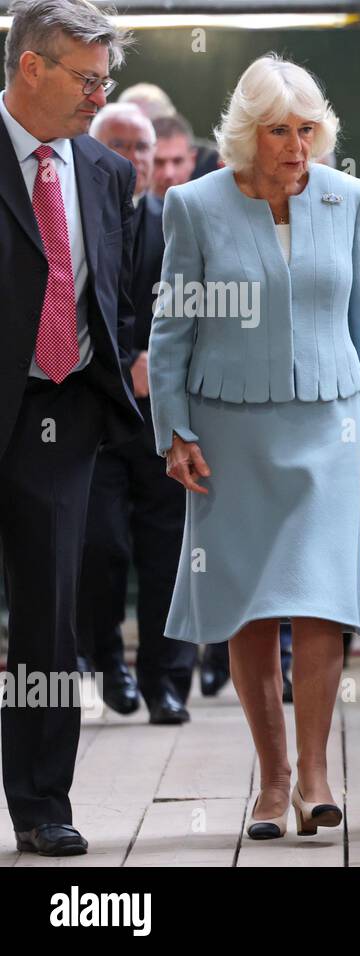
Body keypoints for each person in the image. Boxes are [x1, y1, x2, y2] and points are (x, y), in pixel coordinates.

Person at [148, 54, 360, 841]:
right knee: (247, 605)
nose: (295, 146)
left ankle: (316, 774)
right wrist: (174, 430)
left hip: (329, 423)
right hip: (228, 429)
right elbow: (172, 326)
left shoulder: (347, 197)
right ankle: (272, 781)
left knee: (322, 599)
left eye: (307, 130)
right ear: (247, 136)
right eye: (279, 131)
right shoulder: (194, 205)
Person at [0, 0, 142, 857]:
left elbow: (112, 295)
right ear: (31, 69)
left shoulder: (105, 172)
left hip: (60, 414)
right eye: (88, 80)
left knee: (49, 622)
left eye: (107, 81)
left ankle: (43, 807)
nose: (100, 97)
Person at [82, 100, 195, 724]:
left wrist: (162, 367)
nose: (131, 159)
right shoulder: (71, 224)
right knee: (100, 547)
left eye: (141, 149)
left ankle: (165, 681)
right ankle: (108, 661)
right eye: (117, 146)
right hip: (95, 419)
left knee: (170, 553)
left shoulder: (178, 224)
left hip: (167, 419)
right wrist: (124, 363)